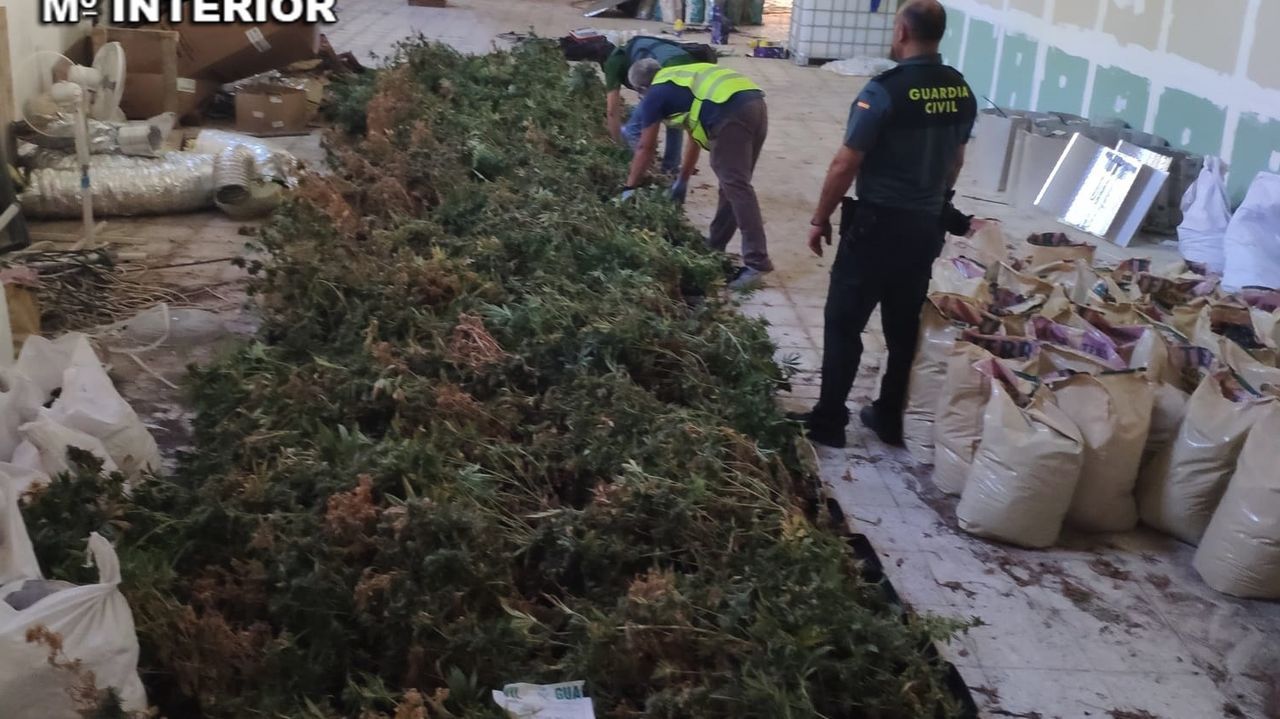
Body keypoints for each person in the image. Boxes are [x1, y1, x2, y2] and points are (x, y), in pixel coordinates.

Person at [793, 0, 977, 448]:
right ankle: (890, 417)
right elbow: (955, 158)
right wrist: (937, 200)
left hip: (876, 228)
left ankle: (829, 422)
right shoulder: (960, 90)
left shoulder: (883, 91)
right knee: (902, 327)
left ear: (901, 32)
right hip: (924, 230)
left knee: (844, 322)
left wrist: (820, 218)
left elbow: (844, 164)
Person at [622, 59, 773, 290]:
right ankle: (716, 243)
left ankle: (757, 263)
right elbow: (693, 136)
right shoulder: (676, 79)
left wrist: (629, 187)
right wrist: (683, 178)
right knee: (732, 185)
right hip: (754, 103)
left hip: (729, 112)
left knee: (736, 186)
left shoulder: (654, 95)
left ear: (642, 88)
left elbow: (645, 147)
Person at [563, 35, 714, 174]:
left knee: (632, 129)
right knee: (674, 118)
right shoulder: (633, 45)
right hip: (692, 69)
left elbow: (611, 111)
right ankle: (671, 168)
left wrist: (617, 145)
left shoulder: (613, 62)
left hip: (669, 73)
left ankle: (641, 169)